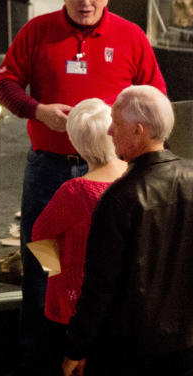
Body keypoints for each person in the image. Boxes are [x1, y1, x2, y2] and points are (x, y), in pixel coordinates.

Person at [0, 0, 165, 374]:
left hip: (114, 174)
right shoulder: (38, 31)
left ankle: (99, 353)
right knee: (42, 266)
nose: (85, 2)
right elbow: (4, 84)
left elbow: (156, 97)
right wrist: (38, 111)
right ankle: (38, 358)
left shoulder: (130, 37)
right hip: (50, 169)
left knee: (110, 264)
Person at [63, 85, 193, 376]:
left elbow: (99, 287)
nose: (110, 131)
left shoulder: (118, 199)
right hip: (184, 348)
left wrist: (76, 348)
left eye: (117, 123)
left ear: (139, 131)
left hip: (126, 355)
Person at [29, 98, 126, 366]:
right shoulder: (134, 177)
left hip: (74, 307)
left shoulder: (75, 192)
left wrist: (58, 272)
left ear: (75, 141)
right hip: (125, 305)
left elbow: (39, 235)